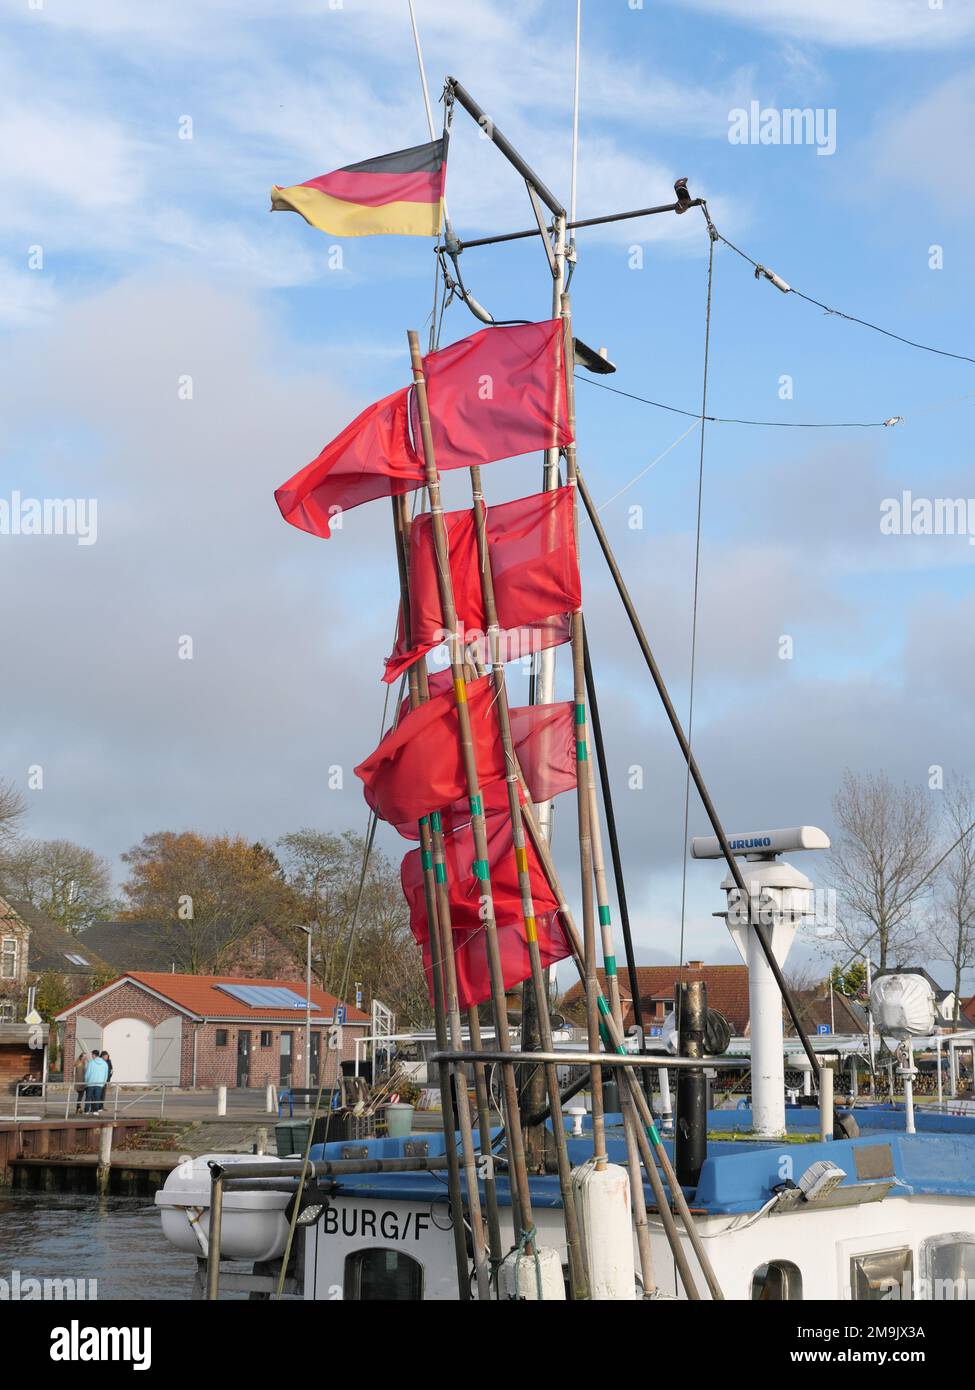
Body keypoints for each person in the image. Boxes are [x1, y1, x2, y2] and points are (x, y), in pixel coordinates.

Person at [84, 1050, 109, 1114]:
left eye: (92, 1054)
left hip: (90, 1083)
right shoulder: (105, 1064)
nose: (91, 1056)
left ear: (94, 1055)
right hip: (100, 1083)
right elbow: (106, 1075)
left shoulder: (91, 1063)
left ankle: (86, 1111)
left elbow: (87, 1074)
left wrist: (86, 1082)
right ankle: (95, 1111)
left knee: (88, 1097)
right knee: (97, 1097)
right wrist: (103, 1083)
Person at [74, 1049, 89, 1114]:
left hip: (81, 1083)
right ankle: (78, 1109)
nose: (86, 1058)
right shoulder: (80, 1064)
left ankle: (78, 1108)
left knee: (80, 1096)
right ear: (81, 1057)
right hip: (80, 1083)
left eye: (86, 1057)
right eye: (84, 1057)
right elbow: (80, 1076)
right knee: (80, 1096)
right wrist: (82, 1084)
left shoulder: (82, 1063)